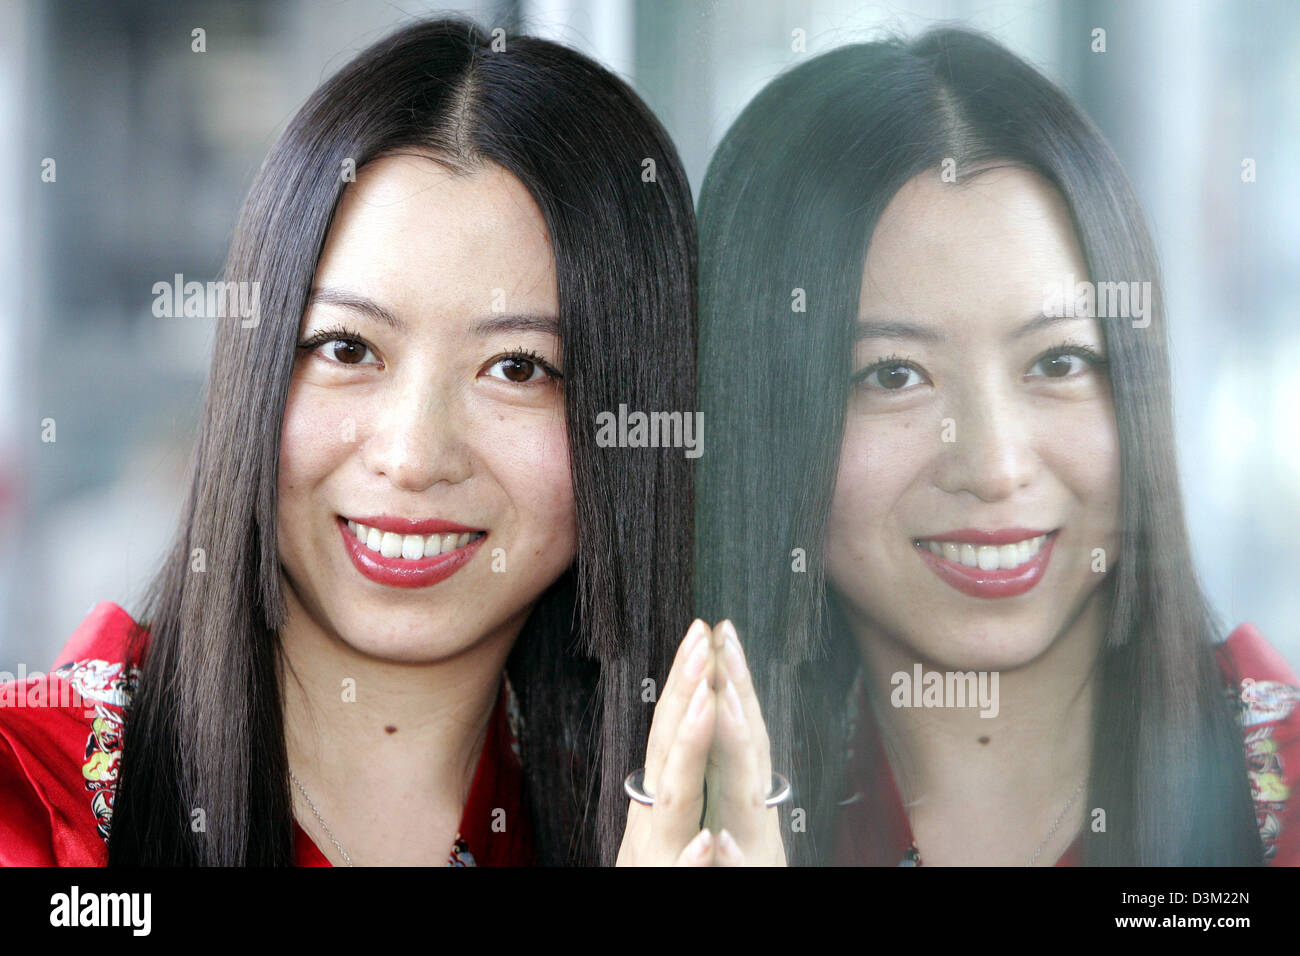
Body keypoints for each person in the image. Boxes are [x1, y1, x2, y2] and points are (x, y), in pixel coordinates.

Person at [0, 17, 699, 867]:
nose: (412, 457)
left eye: (518, 367)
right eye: (347, 349)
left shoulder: (667, 823)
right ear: (254, 369)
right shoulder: (35, 808)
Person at [694, 27, 1300, 865]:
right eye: (892, 376)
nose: (995, 467)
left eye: (1057, 362)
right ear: (757, 412)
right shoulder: (647, 818)